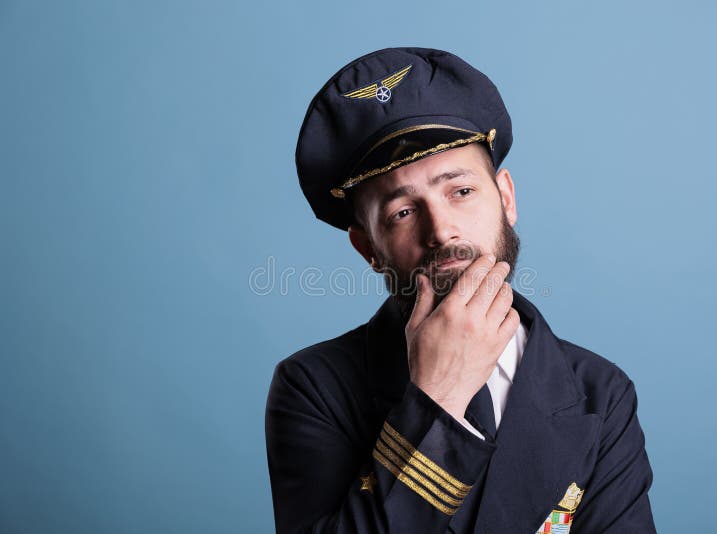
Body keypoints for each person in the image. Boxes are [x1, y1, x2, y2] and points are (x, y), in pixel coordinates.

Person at [265, 47, 656, 533]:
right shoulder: (314, 389)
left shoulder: (602, 394)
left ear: (506, 198)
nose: (442, 230)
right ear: (368, 247)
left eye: (461, 191)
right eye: (403, 212)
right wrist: (437, 397)